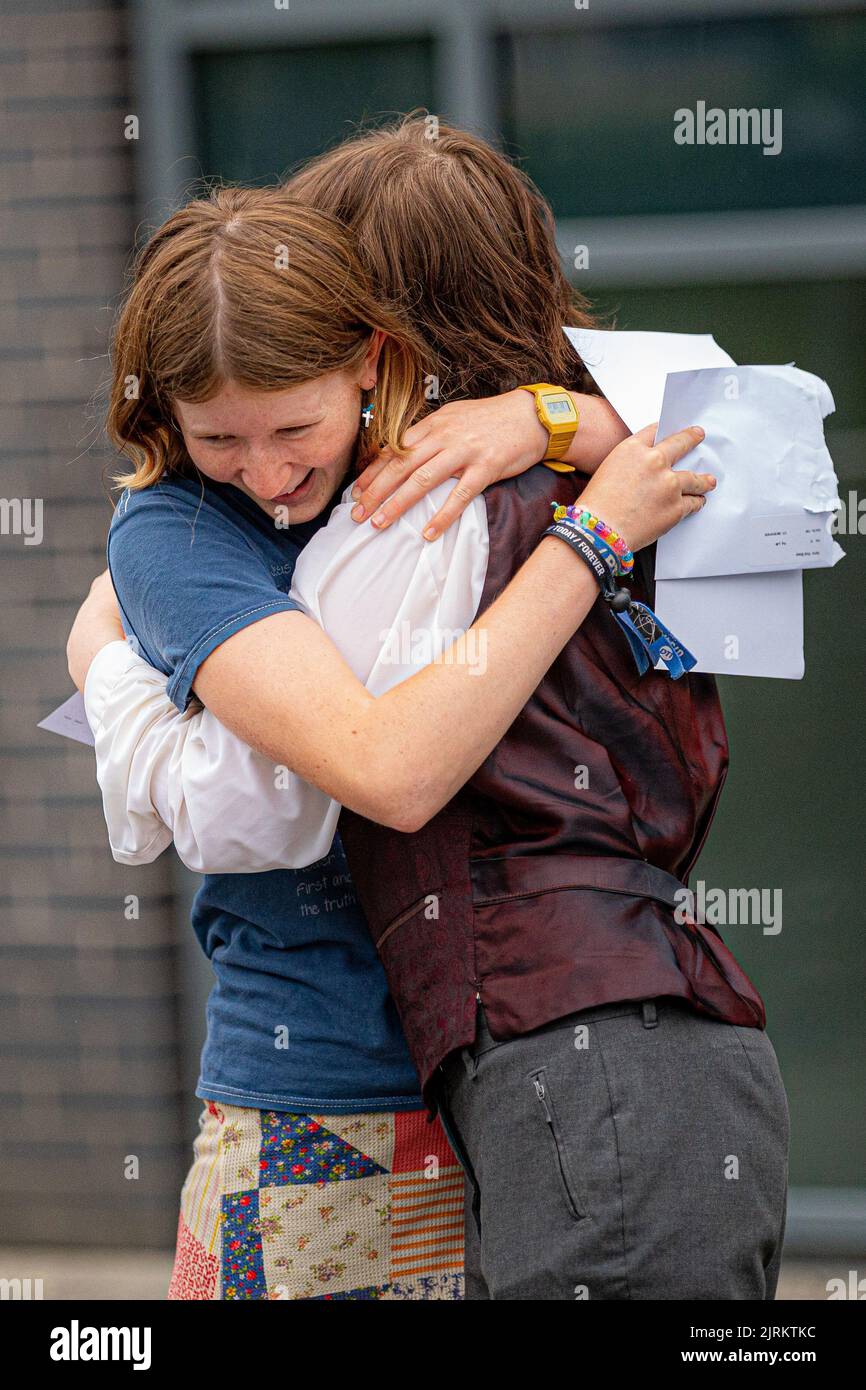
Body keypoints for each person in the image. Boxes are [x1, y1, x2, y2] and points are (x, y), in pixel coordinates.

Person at [67, 123, 765, 1302]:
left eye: (297, 420)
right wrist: (110, 664)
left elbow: (756, 452)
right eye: (222, 436)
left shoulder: (461, 495)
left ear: (376, 348)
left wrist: (553, 421)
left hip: (514, 1072)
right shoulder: (222, 530)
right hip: (345, 1086)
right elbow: (322, 787)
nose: (268, 468)